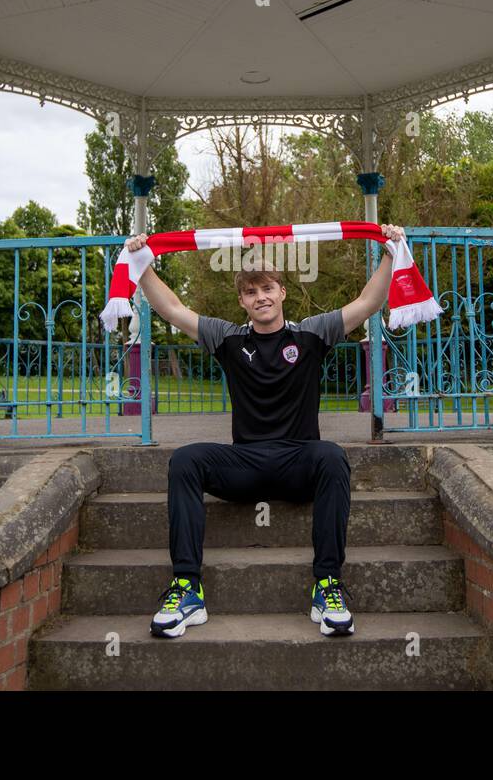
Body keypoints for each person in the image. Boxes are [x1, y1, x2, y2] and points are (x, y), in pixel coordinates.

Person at [126, 224, 407, 638]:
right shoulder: (227, 338)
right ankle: (187, 589)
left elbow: (368, 303)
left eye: (268, 288)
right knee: (186, 459)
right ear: (242, 301)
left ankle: (327, 586)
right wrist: (142, 262)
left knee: (332, 456)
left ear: (281, 293)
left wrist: (390, 250)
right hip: (246, 463)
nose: (261, 297)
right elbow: (172, 309)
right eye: (251, 291)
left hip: (299, 462)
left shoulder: (311, 333)